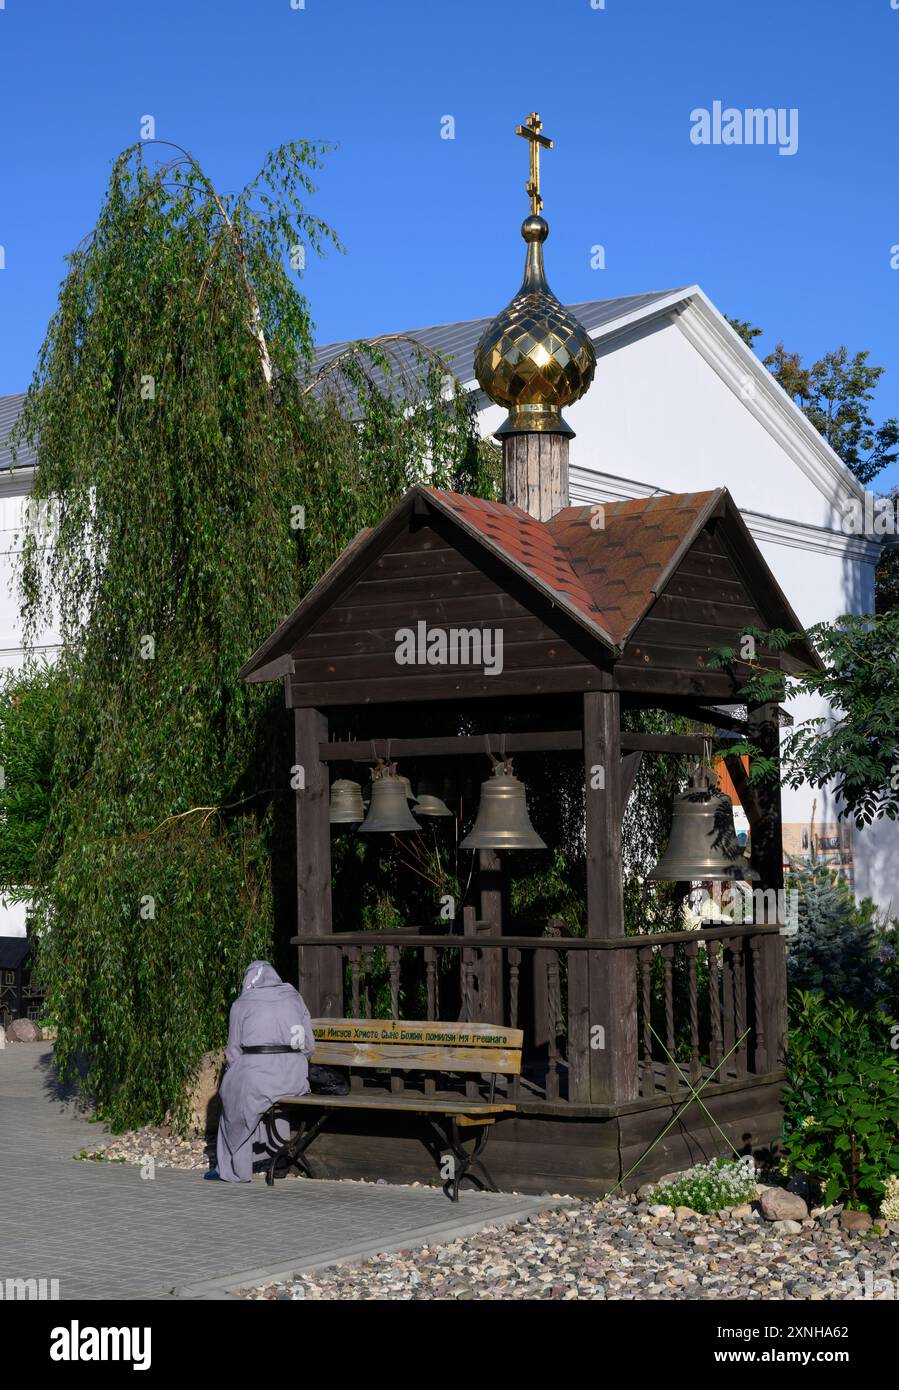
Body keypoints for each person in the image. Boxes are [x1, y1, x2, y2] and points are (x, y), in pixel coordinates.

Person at [206, 960, 314, 1183]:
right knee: (271, 1100)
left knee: (233, 1097)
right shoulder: (294, 997)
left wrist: (235, 1075)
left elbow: (233, 1051)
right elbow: (309, 1046)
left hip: (257, 1073)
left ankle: (237, 1169)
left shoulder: (242, 1003)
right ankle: (274, 1154)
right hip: (294, 1076)